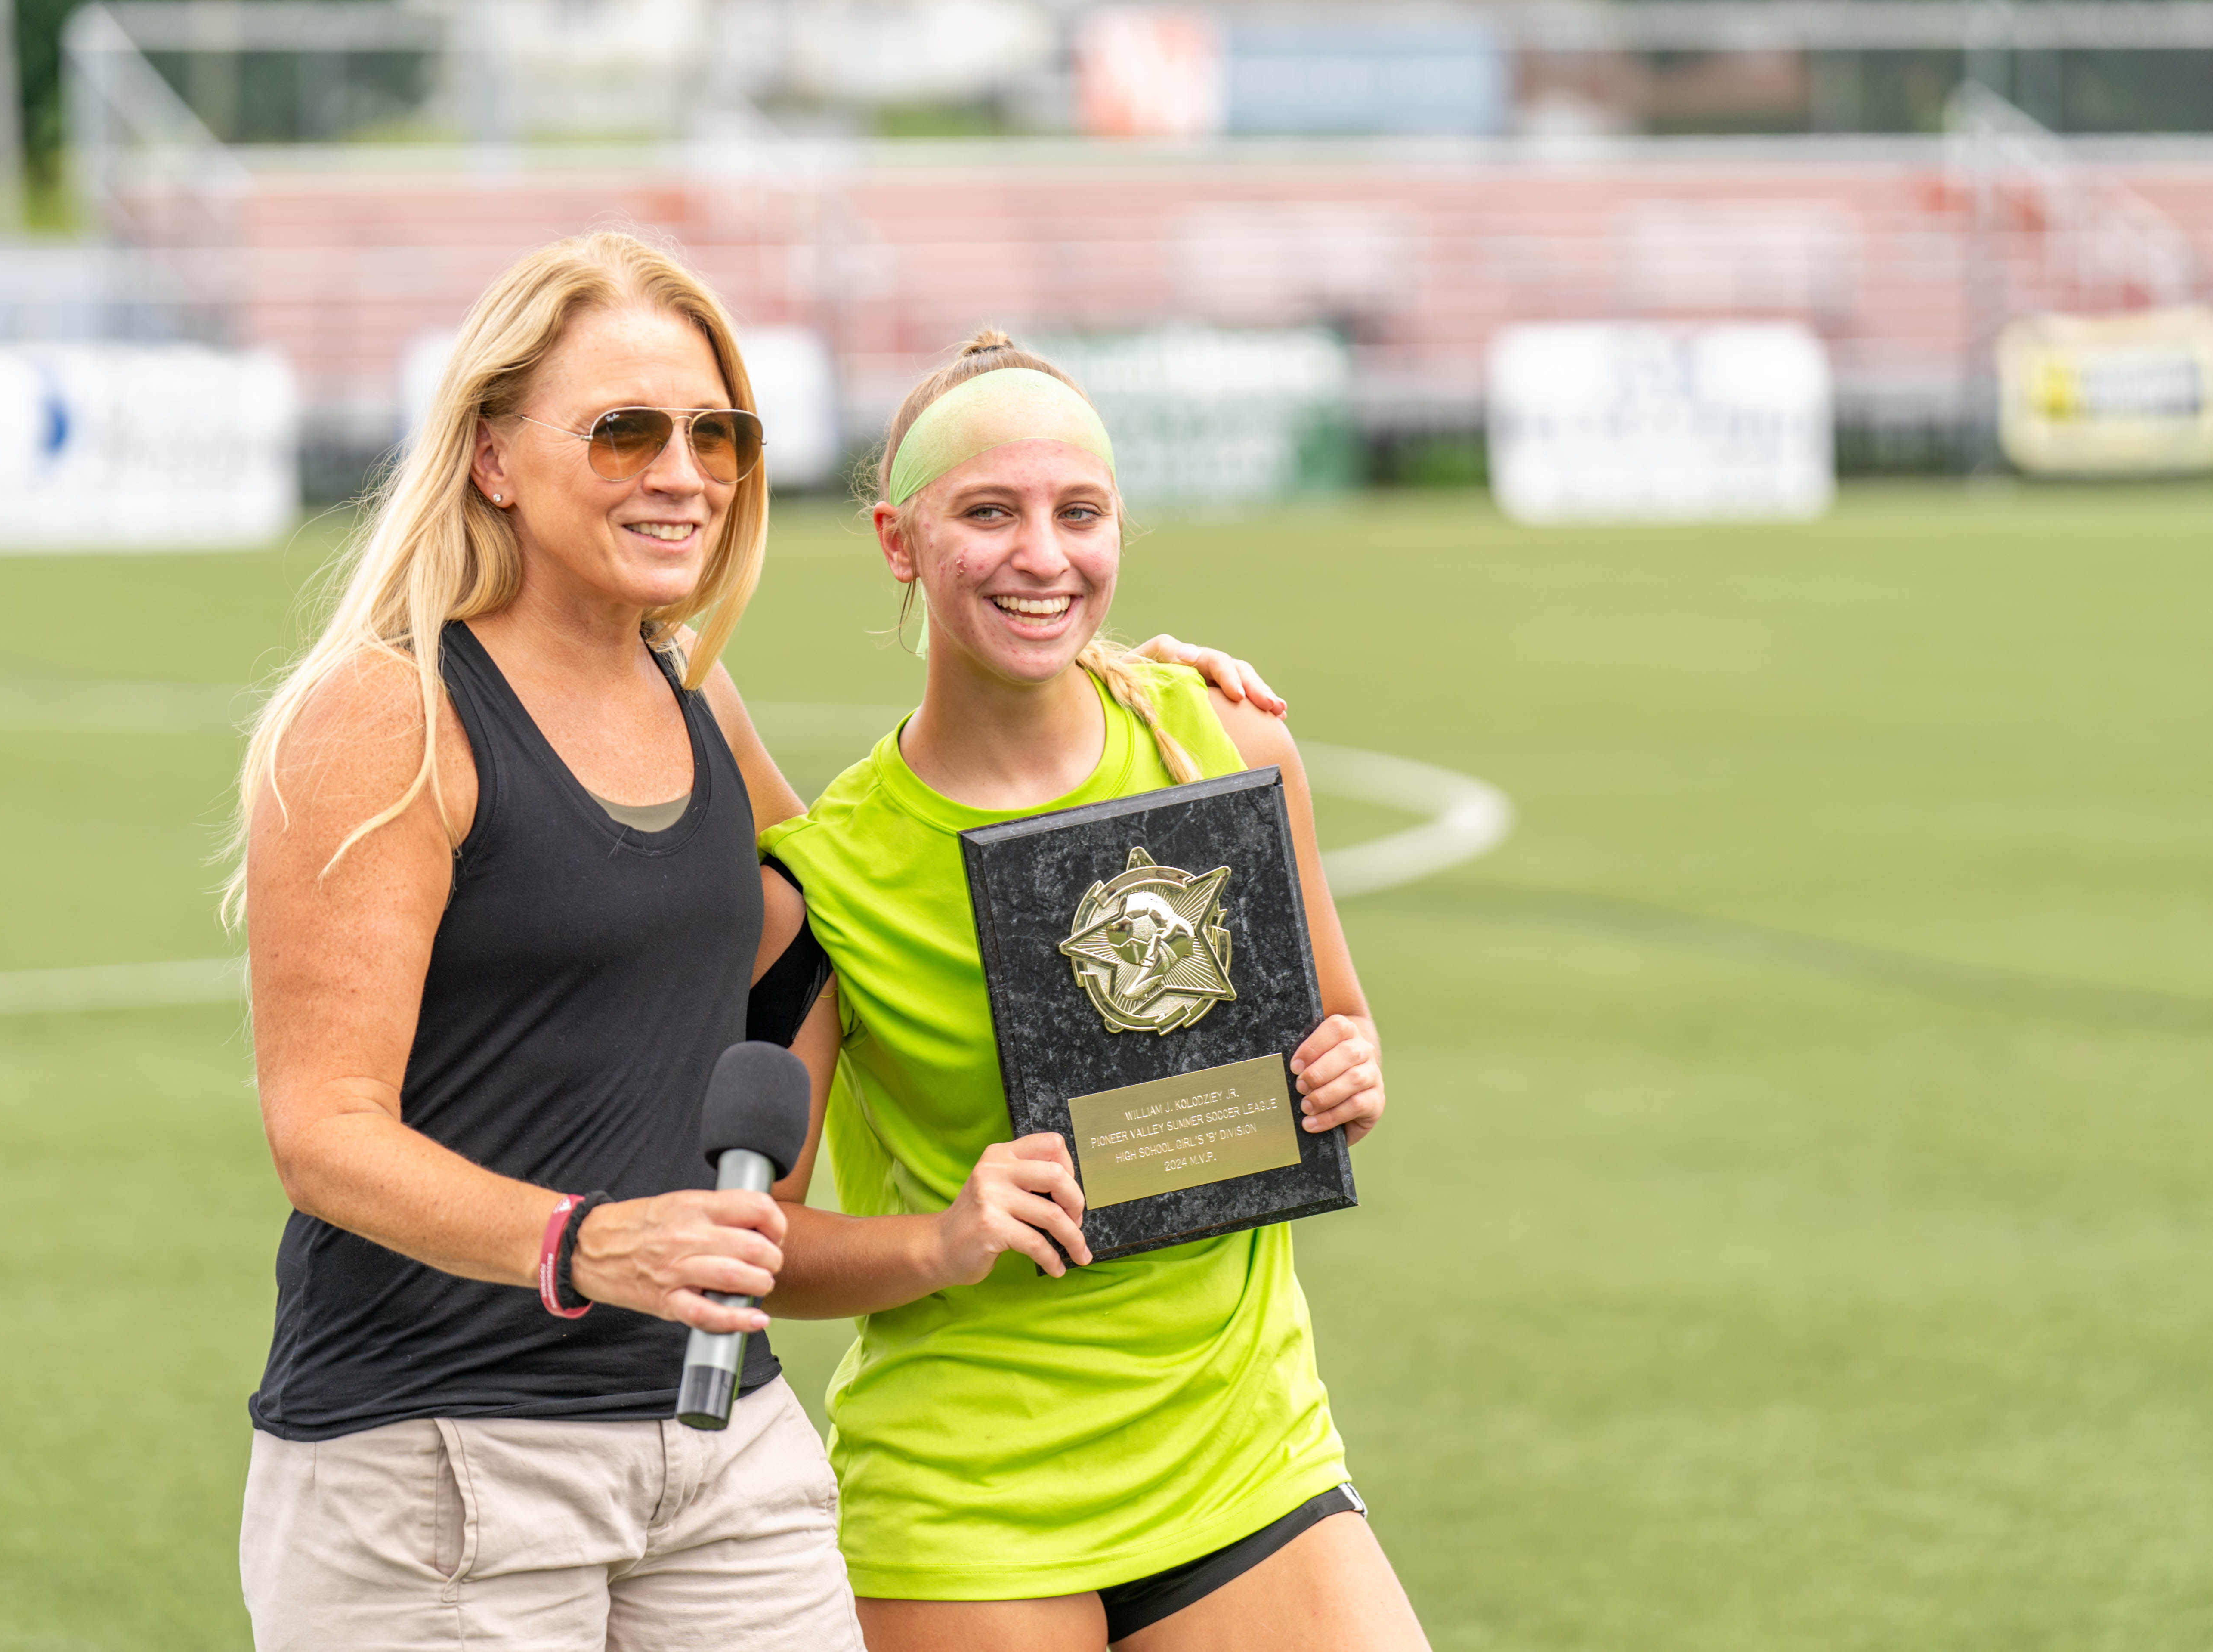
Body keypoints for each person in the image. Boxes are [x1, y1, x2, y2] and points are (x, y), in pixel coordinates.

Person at [226, 235, 1274, 1651]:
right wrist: (584, 1244)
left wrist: (1094, 670)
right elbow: (323, 1132)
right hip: (440, 1467)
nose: (682, 473)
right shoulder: (387, 715)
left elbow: (877, 883)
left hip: (717, 1447)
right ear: (491, 454)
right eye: (625, 431)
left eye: (717, 433)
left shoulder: (696, 705)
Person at [760, 331, 1431, 1651]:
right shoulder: (822, 877)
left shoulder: (1220, 745)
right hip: (968, 1501)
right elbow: (758, 1243)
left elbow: (1336, 1041)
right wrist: (940, 1239)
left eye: (1080, 513)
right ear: (900, 542)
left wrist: (1349, 1076)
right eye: (988, 513)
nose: (1042, 556)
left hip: (1245, 1448)